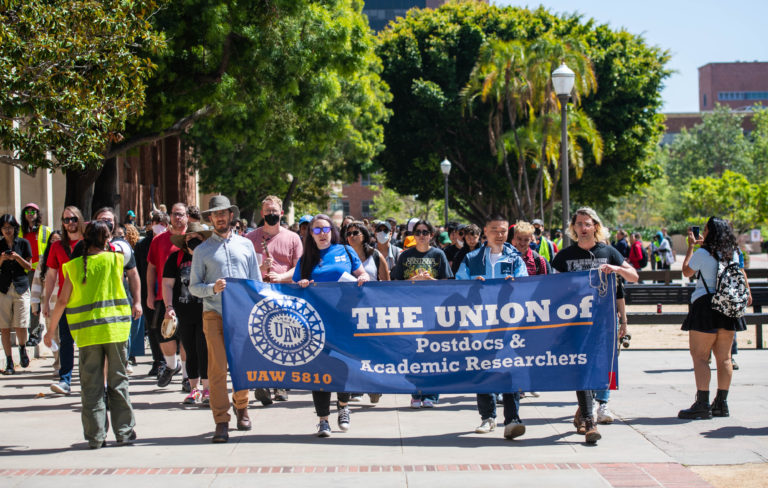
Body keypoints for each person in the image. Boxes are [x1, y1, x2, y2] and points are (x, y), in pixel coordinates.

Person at [43, 221, 139, 448]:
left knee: (91, 385)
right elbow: (131, 272)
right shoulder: (115, 261)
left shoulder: (74, 266)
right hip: (115, 331)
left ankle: (96, 436)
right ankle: (124, 432)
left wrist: (50, 331)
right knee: (118, 381)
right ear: (107, 240)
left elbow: (63, 301)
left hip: (87, 334)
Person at [551, 207, 638, 444]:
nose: (583, 228)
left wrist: (616, 269)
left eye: (587, 223)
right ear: (573, 228)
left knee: (595, 368)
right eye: (578, 224)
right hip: (574, 322)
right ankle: (590, 420)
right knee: (582, 367)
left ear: (595, 226)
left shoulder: (608, 252)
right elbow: (550, 288)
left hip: (602, 321)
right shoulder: (564, 256)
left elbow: (633, 277)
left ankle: (583, 413)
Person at [190, 195, 262, 443]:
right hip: (214, 313)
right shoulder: (202, 251)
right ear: (210, 219)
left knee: (242, 366)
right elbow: (193, 287)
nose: (220, 217)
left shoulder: (246, 245)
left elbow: (256, 281)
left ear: (231, 215)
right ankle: (221, 420)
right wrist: (212, 288)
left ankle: (242, 407)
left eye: (224, 213)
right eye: (215, 214)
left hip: (242, 314)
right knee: (217, 369)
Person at [293, 214, 369, 437]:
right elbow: (296, 286)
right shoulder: (306, 258)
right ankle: (323, 419)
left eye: (325, 229)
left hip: (344, 320)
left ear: (332, 231)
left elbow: (361, 273)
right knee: (320, 371)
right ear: (311, 235)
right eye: (316, 231)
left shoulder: (345, 251)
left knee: (343, 365)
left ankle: (344, 407)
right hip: (317, 323)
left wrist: (362, 277)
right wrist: (302, 284)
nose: (321, 234)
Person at [455, 215, 529, 440]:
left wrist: (514, 284)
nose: (499, 234)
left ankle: (512, 419)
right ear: (484, 232)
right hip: (479, 323)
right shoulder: (471, 258)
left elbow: (525, 284)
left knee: (508, 368)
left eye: (504, 230)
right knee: (483, 368)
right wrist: (471, 285)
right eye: (494, 229)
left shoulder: (516, 258)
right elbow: (457, 284)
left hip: (508, 324)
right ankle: (488, 417)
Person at [678, 217, 749, 420]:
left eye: (706, 229)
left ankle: (702, 403)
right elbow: (741, 274)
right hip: (728, 306)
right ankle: (721, 403)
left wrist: (691, 246)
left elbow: (686, 271)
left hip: (706, 305)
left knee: (700, 357)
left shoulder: (702, 253)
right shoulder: (734, 253)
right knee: (724, 357)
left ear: (710, 232)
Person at [245, 195, 303, 405]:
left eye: (274, 211)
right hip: (258, 296)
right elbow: (243, 270)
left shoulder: (293, 238)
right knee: (260, 340)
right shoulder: (250, 238)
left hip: (284, 295)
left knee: (283, 340)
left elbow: (299, 267)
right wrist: (260, 270)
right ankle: (263, 383)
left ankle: (282, 385)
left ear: (281, 213)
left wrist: (282, 277)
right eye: (267, 211)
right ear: (262, 214)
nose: (271, 214)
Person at [391, 219, 452, 408]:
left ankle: (432, 395)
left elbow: (448, 283)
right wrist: (413, 280)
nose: (422, 236)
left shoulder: (438, 254)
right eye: (418, 232)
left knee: (433, 353)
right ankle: (416, 393)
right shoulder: (405, 255)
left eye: (425, 232)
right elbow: (395, 283)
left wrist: (431, 280)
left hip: (434, 310)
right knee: (413, 352)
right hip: (412, 310)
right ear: (413, 235)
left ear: (431, 235)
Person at [164, 222, 212, 406]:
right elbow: (167, 284)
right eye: (189, 239)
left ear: (203, 240)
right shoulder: (176, 258)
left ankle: (207, 389)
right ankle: (194, 389)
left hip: (206, 310)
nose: (192, 242)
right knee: (189, 350)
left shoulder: (209, 257)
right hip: (183, 311)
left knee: (204, 349)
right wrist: (168, 307)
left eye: (197, 239)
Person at [43, 206, 85, 395]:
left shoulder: (88, 242)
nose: (70, 223)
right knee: (66, 340)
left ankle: (89, 380)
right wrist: (45, 302)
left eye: (73, 219)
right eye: (66, 220)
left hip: (87, 299)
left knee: (86, 342)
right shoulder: (57, 246)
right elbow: (51, 275)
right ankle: (65, 379)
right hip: (65, 299)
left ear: (80, 220)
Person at [147, 203, 188, 388]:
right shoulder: (159, 240)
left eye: (181, 214)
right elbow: (151, 268)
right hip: (163, 296)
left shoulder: (194, 238)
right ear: (169, 217)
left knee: (186, 337)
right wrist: (149, 293)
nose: (177, 218)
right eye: (174, 214)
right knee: (165, 335)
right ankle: (172, 366)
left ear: (187, 216)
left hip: (189, 295)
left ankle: (188, 376)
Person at [1, 214, 33, 374]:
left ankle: (22, 348)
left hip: (21, 287)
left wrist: (17, 257)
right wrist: (2, 259)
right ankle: (9, 362)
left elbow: (29, 266)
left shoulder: (24, 243)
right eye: (4, 227)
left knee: (21, 323)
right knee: (4, 327)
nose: (7, 230)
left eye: (10, 227)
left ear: (15, 228)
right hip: (3, 288)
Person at [19, 203, 52, 346]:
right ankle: (32, 331)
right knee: (26, 303)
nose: (30, 213)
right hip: (23, 271)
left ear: (38, 214)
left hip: (40, 272)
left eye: (33, 211)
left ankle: (34, 333)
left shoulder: (46, 230)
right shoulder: (20, 231)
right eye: (27, 211)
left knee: (36, 303)